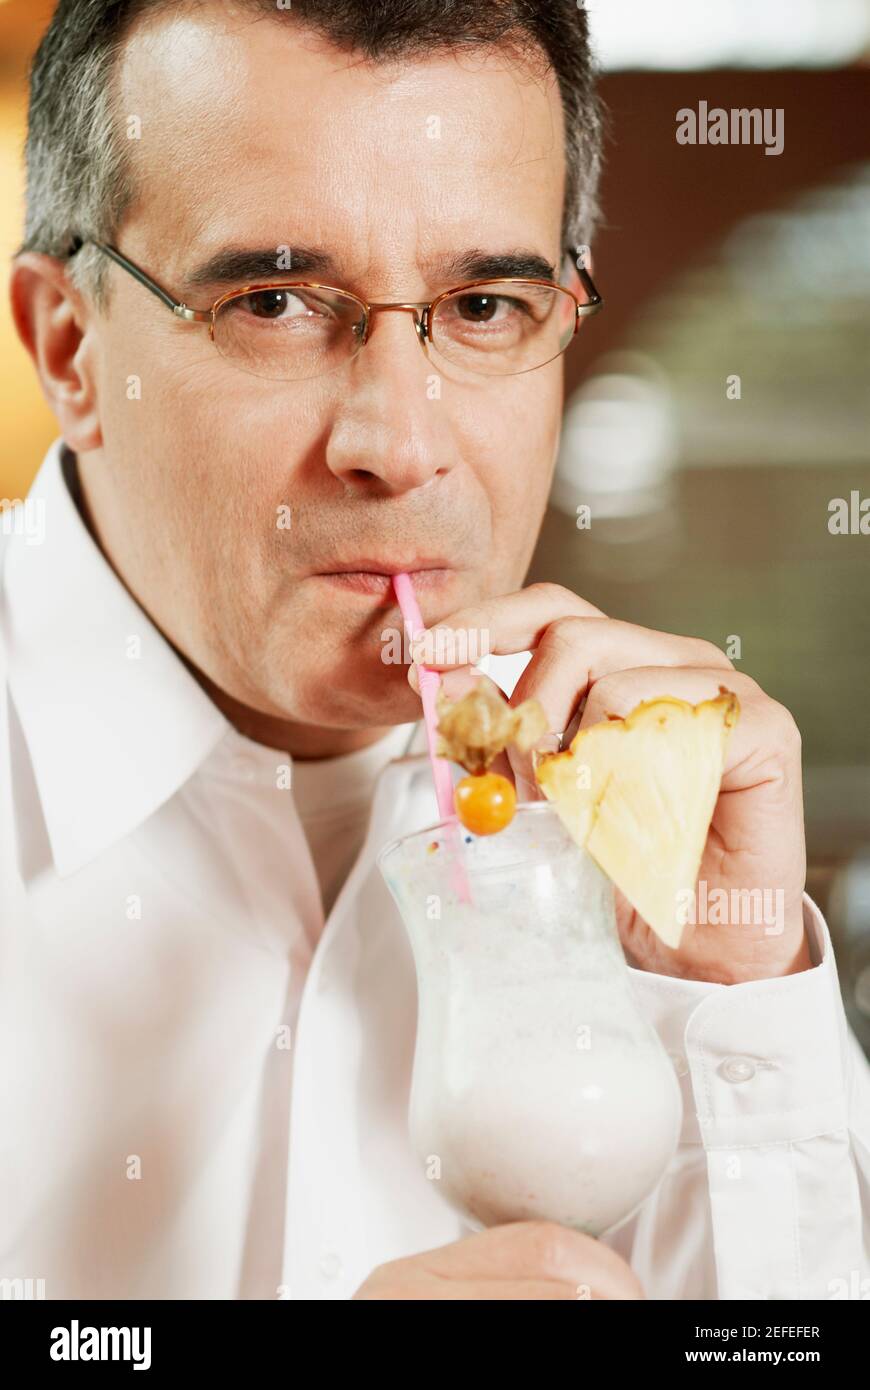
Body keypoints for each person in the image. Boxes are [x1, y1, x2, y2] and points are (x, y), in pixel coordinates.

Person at [2, 0, 868, 1302]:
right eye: (276, 300)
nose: (401, 445)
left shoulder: (643, 804)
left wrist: (734, 995)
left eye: (482, 304)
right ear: (71, 349)